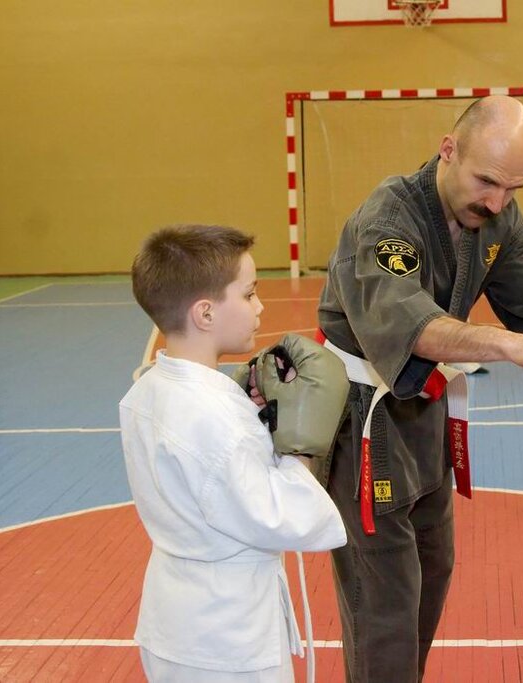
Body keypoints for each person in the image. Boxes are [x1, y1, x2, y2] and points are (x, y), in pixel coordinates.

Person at [315, 95, 523, 683]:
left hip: (424, 412)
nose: (498, 202)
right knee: (386, 607)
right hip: (367, 418)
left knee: (432, 572)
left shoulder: (497, 216)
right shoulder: (390, 219)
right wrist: (508, 346)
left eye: (513, 188)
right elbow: (411, 324)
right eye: (486, 181)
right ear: (448, 149)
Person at [121, 225, 347, 682]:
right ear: (205, 313)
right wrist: (301, 450)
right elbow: (279, 518)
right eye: (249, 295)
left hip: (177, 620)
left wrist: (247, 403)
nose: (260, 306)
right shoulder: (215, 420)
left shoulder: (147, 389)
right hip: (226, 639)